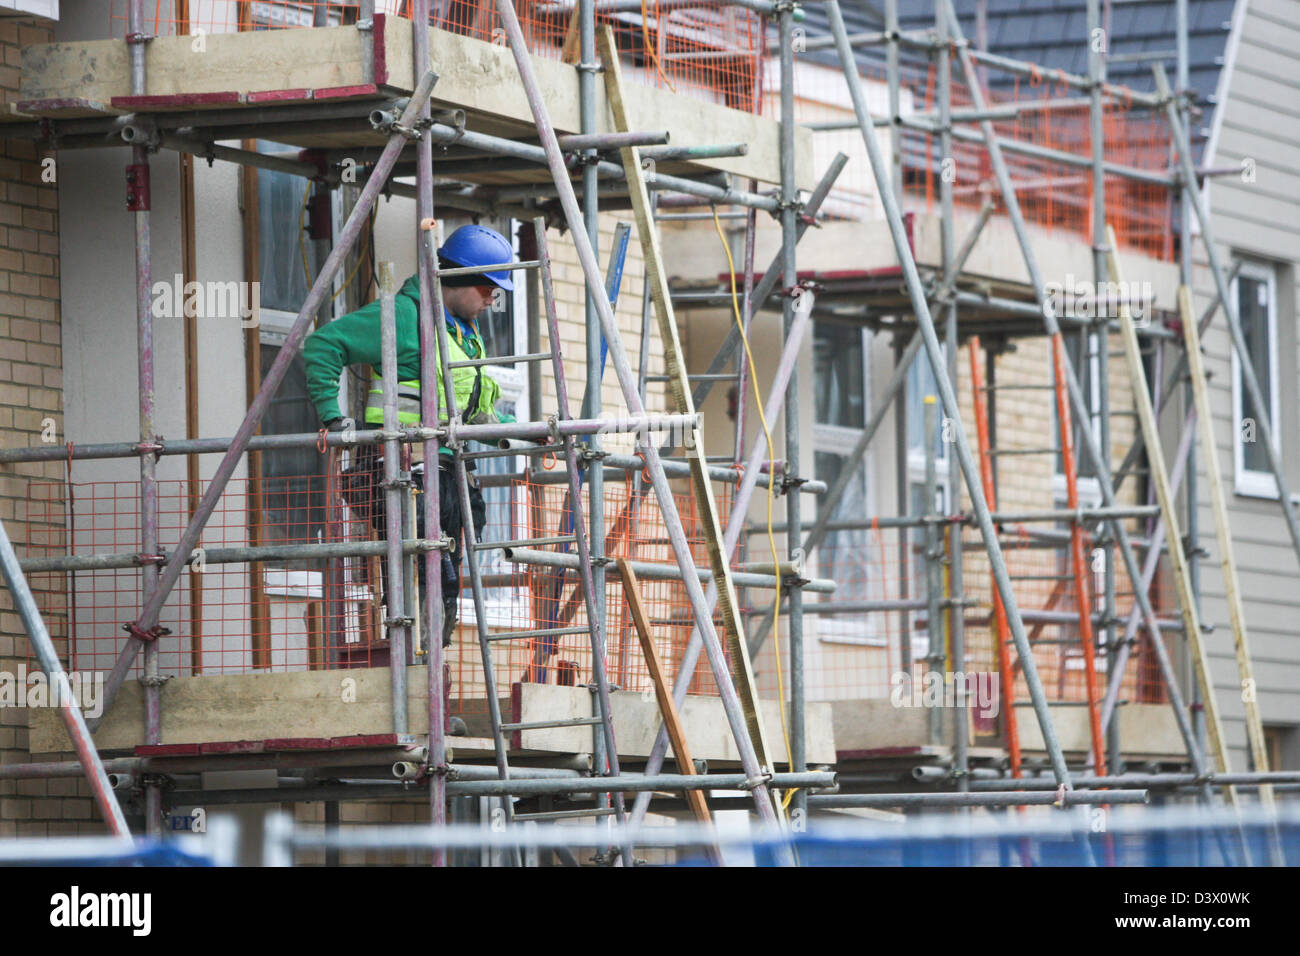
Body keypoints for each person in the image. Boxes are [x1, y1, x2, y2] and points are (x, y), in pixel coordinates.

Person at [304, 223, 515, 652]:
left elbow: (467, 409)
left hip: (444, 474)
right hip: (402, 473)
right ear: (456, 278)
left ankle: (427, 674)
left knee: (445, 579)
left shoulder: (461, 331)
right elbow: (323, 346)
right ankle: (415, 675)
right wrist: (335, 419)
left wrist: (513, 437)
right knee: (427, 575)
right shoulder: (406, 317)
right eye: (489, 288)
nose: (493, 299)